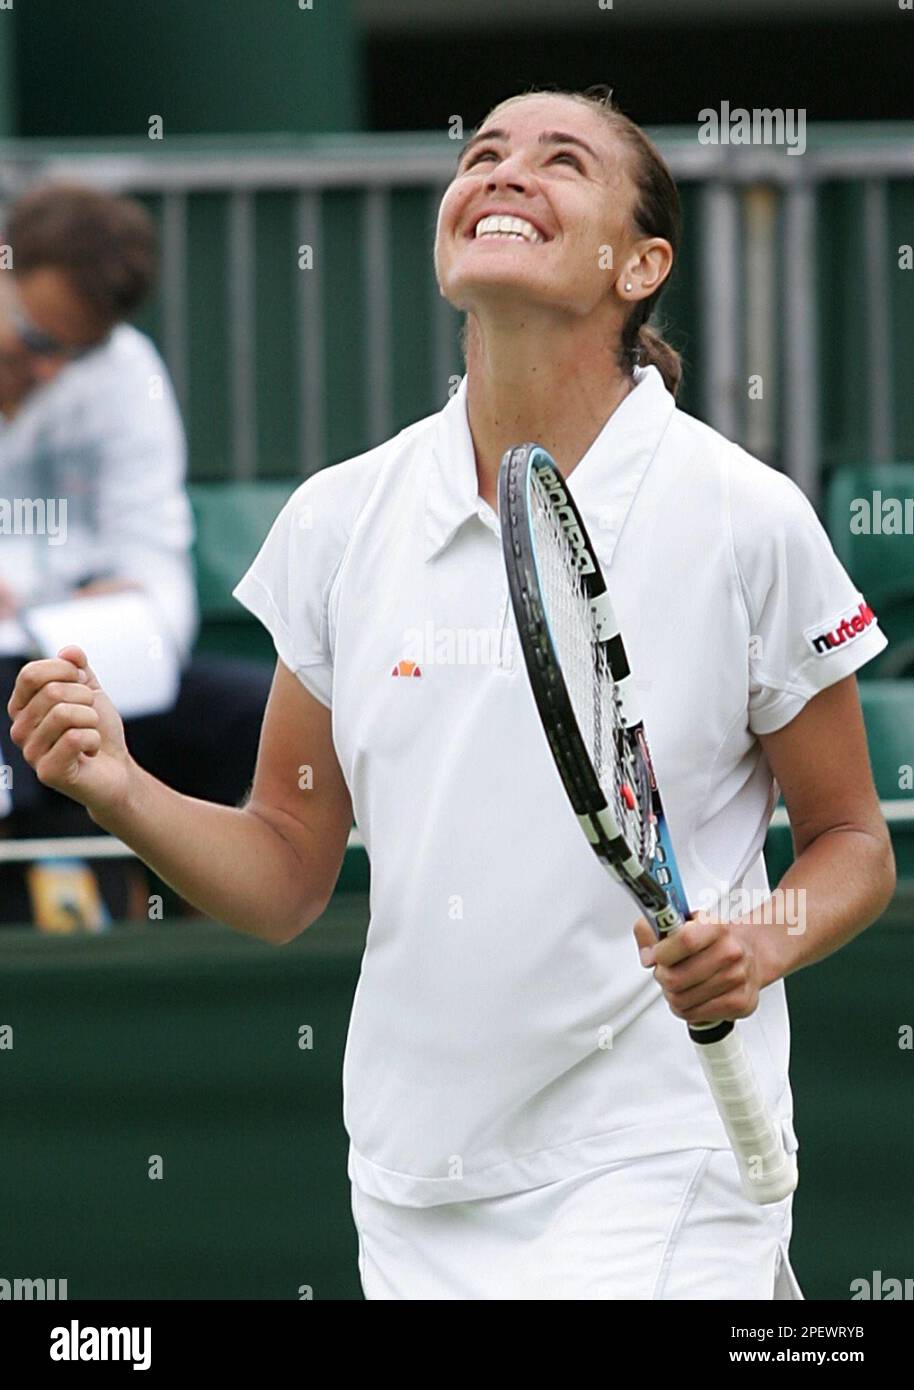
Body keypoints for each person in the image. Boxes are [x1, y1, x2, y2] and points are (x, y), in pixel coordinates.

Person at [6, 88, 895, 1297]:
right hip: (413, 1181)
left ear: (640, 265)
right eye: (481, 153)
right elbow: (284, 870)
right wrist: (118, 787)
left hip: (655, 1157)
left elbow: (851, 840)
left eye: (560, 160)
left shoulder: (746, 517)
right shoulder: (335, 521)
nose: (503, 173)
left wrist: (759, 936)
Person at [0, 183, 270, 923]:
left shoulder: (125, 372)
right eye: (38, 340)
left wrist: (60, 615)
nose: (54, 369)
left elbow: (158, 588)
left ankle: (202, 954)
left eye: (78, 350)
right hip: (33, 688)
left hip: (95, 674)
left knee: (267, 723)